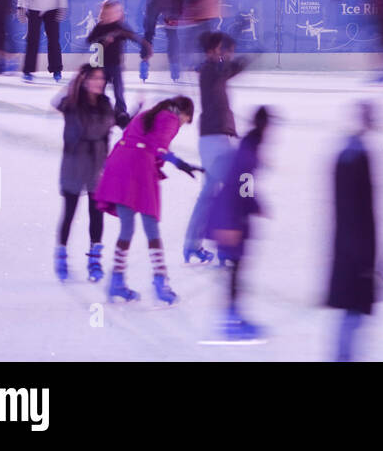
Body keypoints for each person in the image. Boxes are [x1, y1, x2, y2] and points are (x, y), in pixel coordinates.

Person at [93, 96, 201, 304]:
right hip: (138, 169)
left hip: (118, 166)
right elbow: (159, 146)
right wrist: (180, 163)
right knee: (151, 227)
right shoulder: (170, 118)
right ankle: (161, 282)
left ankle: (116, 281)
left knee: (127, 228)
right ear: (184, 113)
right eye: (186, 120)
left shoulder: (147, 114)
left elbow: (131, 137)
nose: (182, 125)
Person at [52, 65, 124, 283]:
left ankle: (95, 259)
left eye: (102, 79)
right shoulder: (72, 103)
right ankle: (61, 256)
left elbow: (120, 124)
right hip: (74, 163)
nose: (99, 83)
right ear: (84, 80)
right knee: (70, 212)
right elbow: (56, 102)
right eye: (94, 78)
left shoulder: (105, 104)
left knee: (96, 213)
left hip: (97, 165)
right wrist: (74, 83)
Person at [183, 32, 247, 266]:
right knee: (232, 190)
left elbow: (233, 69)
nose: (223, 53)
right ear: (212, 51)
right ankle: (224, 248)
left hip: (218, 136)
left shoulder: (214, 70)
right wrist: (232, 54)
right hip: (215, 138)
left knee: (209, 193)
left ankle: (193, 244)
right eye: (220, 49)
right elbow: (230, 68)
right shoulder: (210, 70)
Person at [208, 107, 272, 340]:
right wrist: (232, 223)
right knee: (235, 272)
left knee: (237, 271)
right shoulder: (248, 154)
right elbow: (242, 190)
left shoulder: (248, 148)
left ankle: (234, 317)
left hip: (233, 218)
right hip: (231, 221)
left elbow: (244, 188)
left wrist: (256, 206)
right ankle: (231, 322)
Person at [328, 101, 377, 361]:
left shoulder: (349, 154)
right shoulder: (356, 158)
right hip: (355, 253)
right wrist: (366, 260)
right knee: (352, 314)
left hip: (349, 250)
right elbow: (360, 213)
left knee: (352, 316)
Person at [86, 0, 151, 116]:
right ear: (102, 14)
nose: (110, 17)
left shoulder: (120, 27)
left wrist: (146, 46)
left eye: (114, 13)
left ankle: (121, 110)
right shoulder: (99, 27)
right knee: (98, 89)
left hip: (116, 65)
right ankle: (95, 108)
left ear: (119, 14)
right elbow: (90, 40)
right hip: (100, 65)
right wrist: (103, 38)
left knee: (118, 90)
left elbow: (134, 37)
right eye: (107, 14)